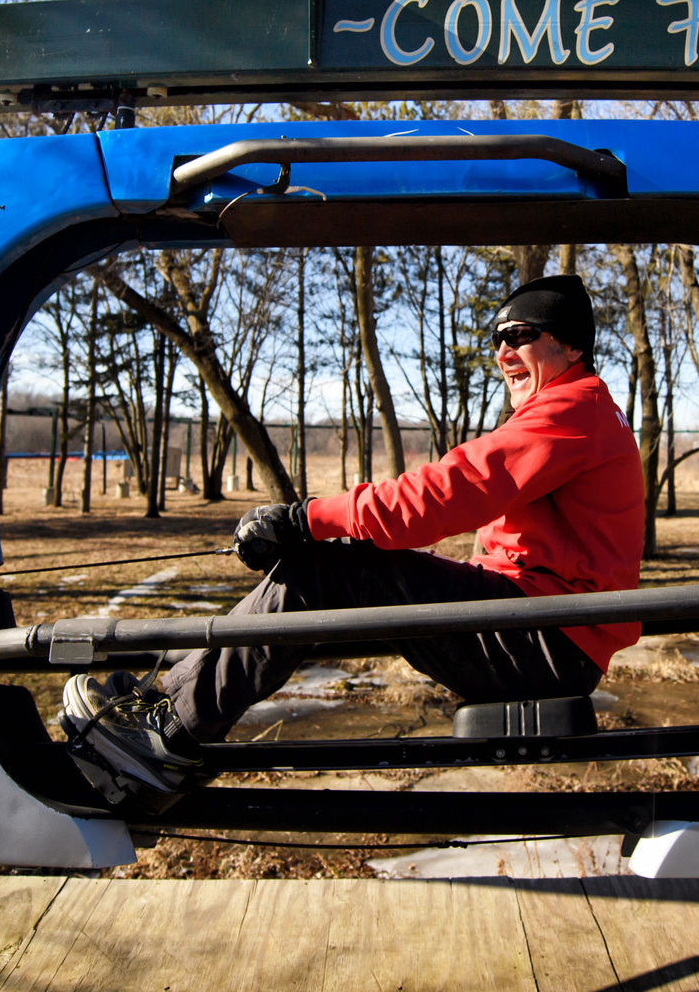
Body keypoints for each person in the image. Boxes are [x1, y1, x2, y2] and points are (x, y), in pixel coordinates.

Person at [58, 274, 645, 811]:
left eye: (521, 335)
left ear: (571, 347)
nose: (502, 352)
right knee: (344, 569)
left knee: (325, 571)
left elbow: (442, 494)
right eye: (498, 337)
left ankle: (166, 734)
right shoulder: (582, 411)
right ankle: (168, 709)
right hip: (544, 628)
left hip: (543, 639)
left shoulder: (573, 408)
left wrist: (306, 519)